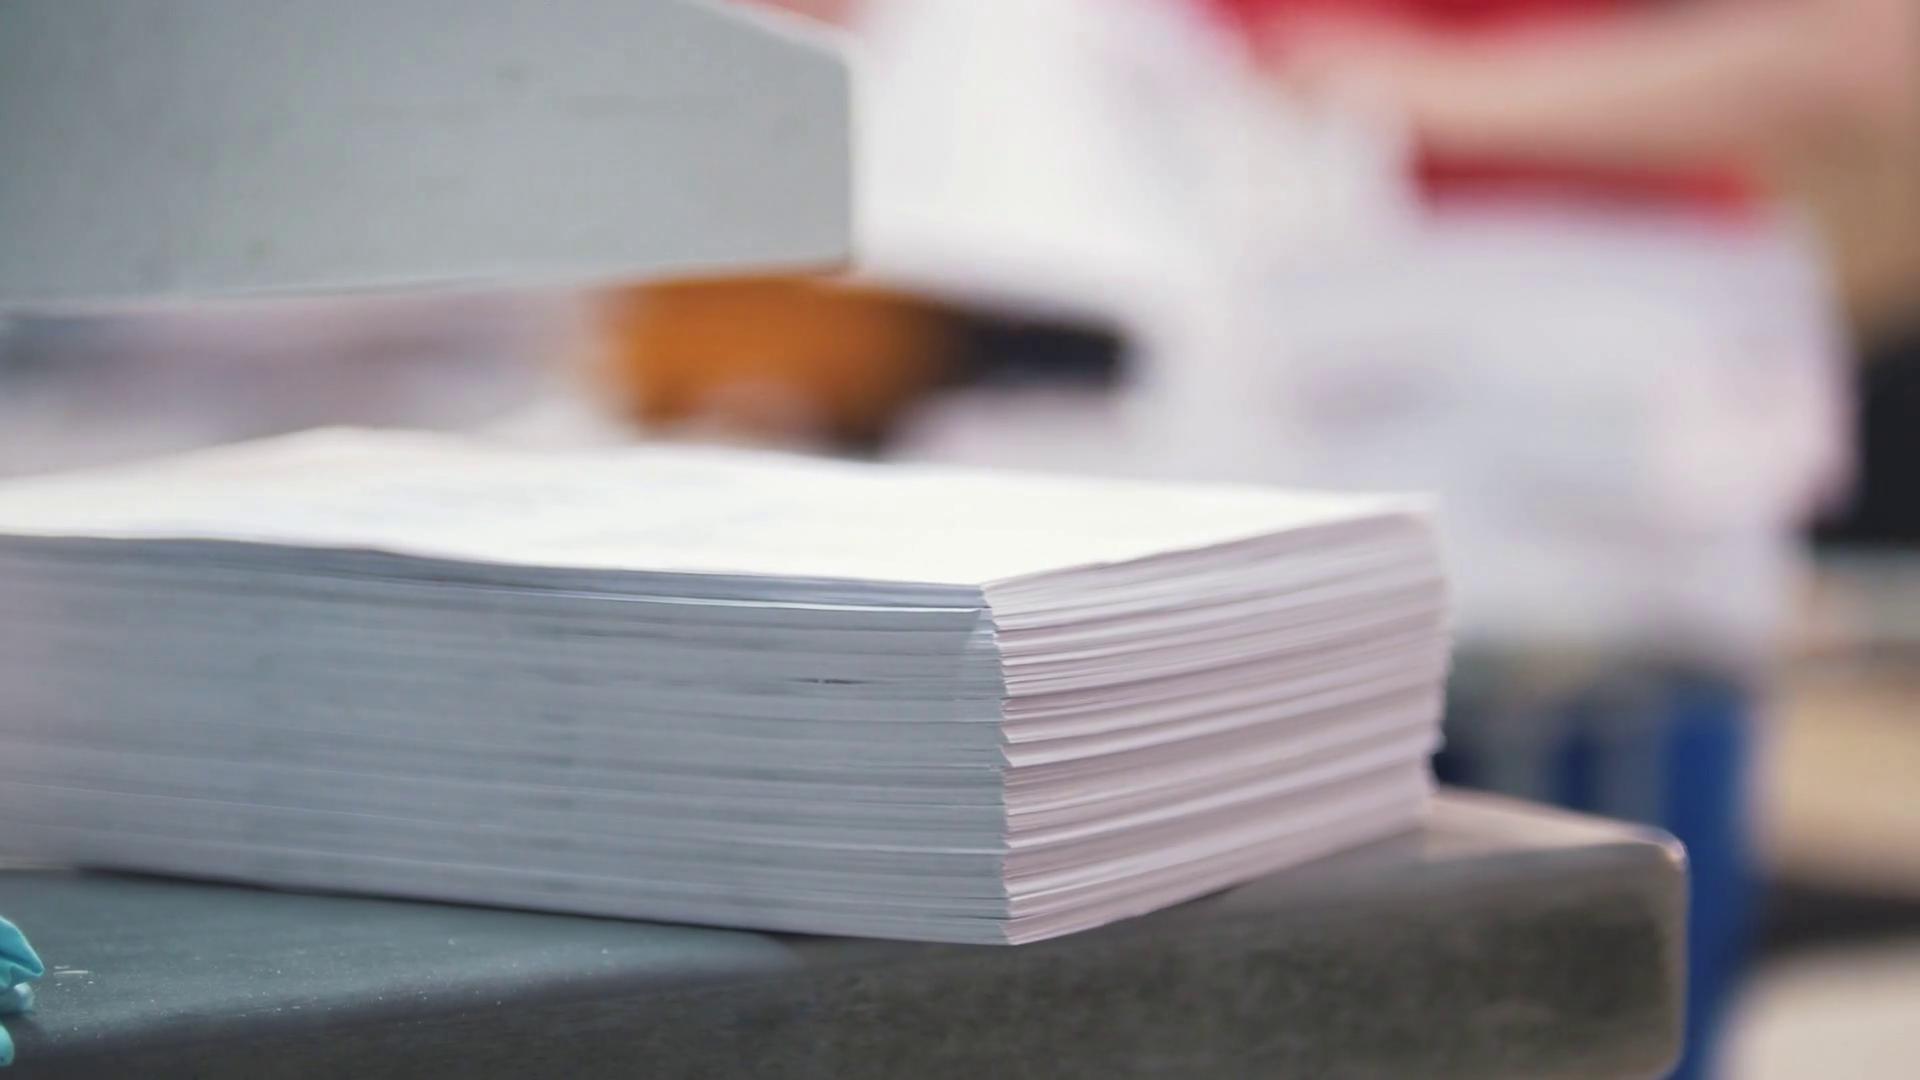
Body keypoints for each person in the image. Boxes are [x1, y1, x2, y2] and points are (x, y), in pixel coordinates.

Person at [1204, 1, 1917, 1077]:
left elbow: (1858, 53)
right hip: (1255, 376)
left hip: (1575, 452)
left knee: (1570, 993)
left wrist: (1403, 90)